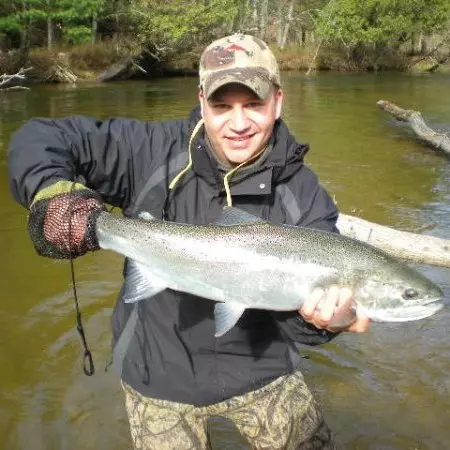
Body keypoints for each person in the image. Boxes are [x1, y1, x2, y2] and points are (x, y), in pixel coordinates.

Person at [8, 33, 369, 449]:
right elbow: (39, 137)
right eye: (221, 106)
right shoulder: (145, 151)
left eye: (253, 104)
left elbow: (304, 328)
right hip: (156, 374)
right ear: (201, 102)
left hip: (261, 369)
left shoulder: (304, 194)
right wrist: (51, 192)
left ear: (278, 102)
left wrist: (324, 323)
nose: (238, 124)